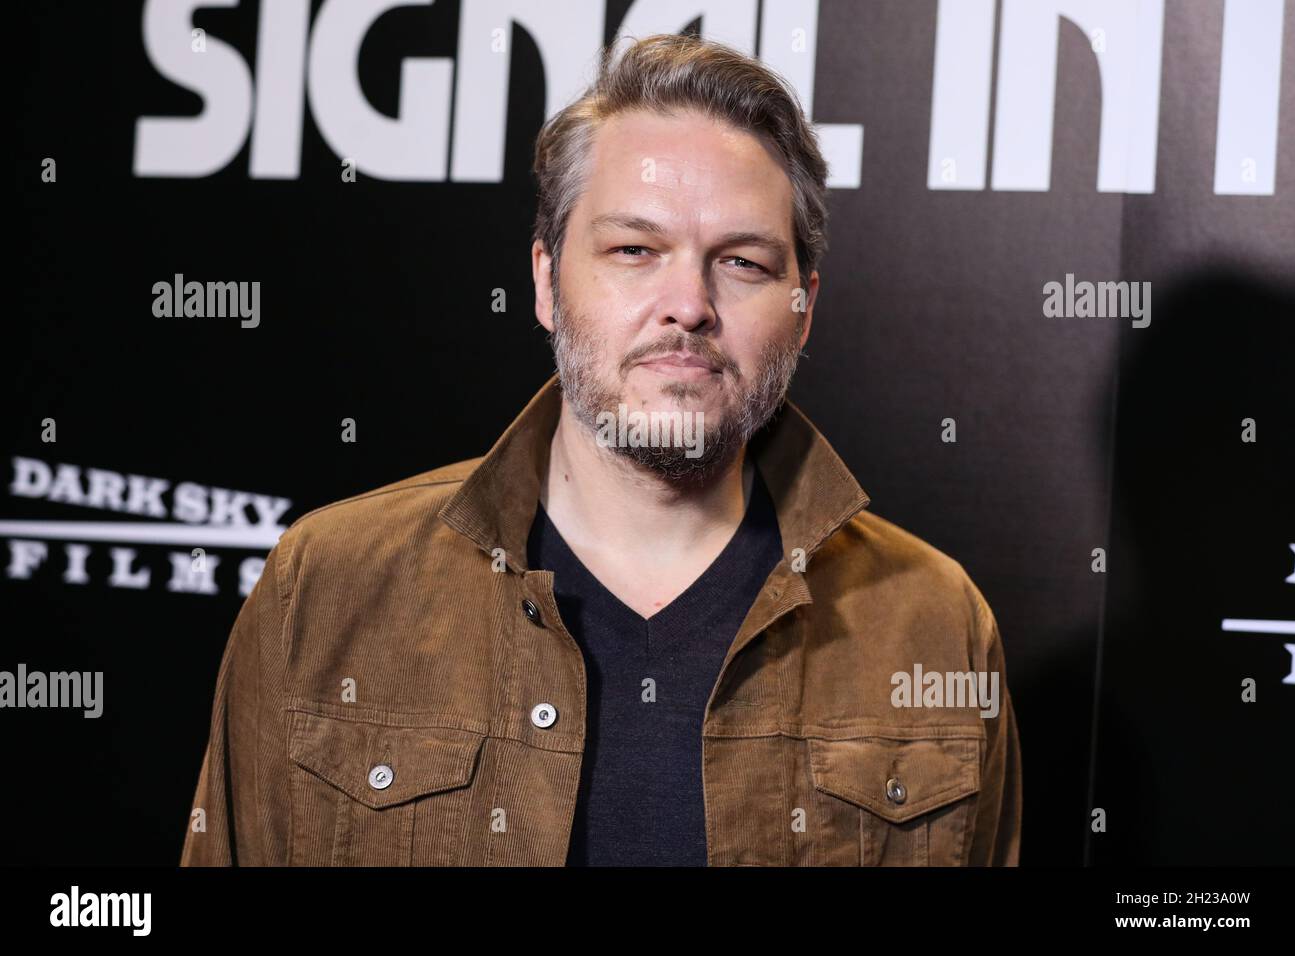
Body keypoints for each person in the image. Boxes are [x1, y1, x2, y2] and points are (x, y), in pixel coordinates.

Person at [181, 32, 1020, 867]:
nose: (688, 304)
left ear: (804, 309)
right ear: (546, 282)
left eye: (742, 261)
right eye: (634, 250)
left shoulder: (934, 624)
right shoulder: (324, 588)